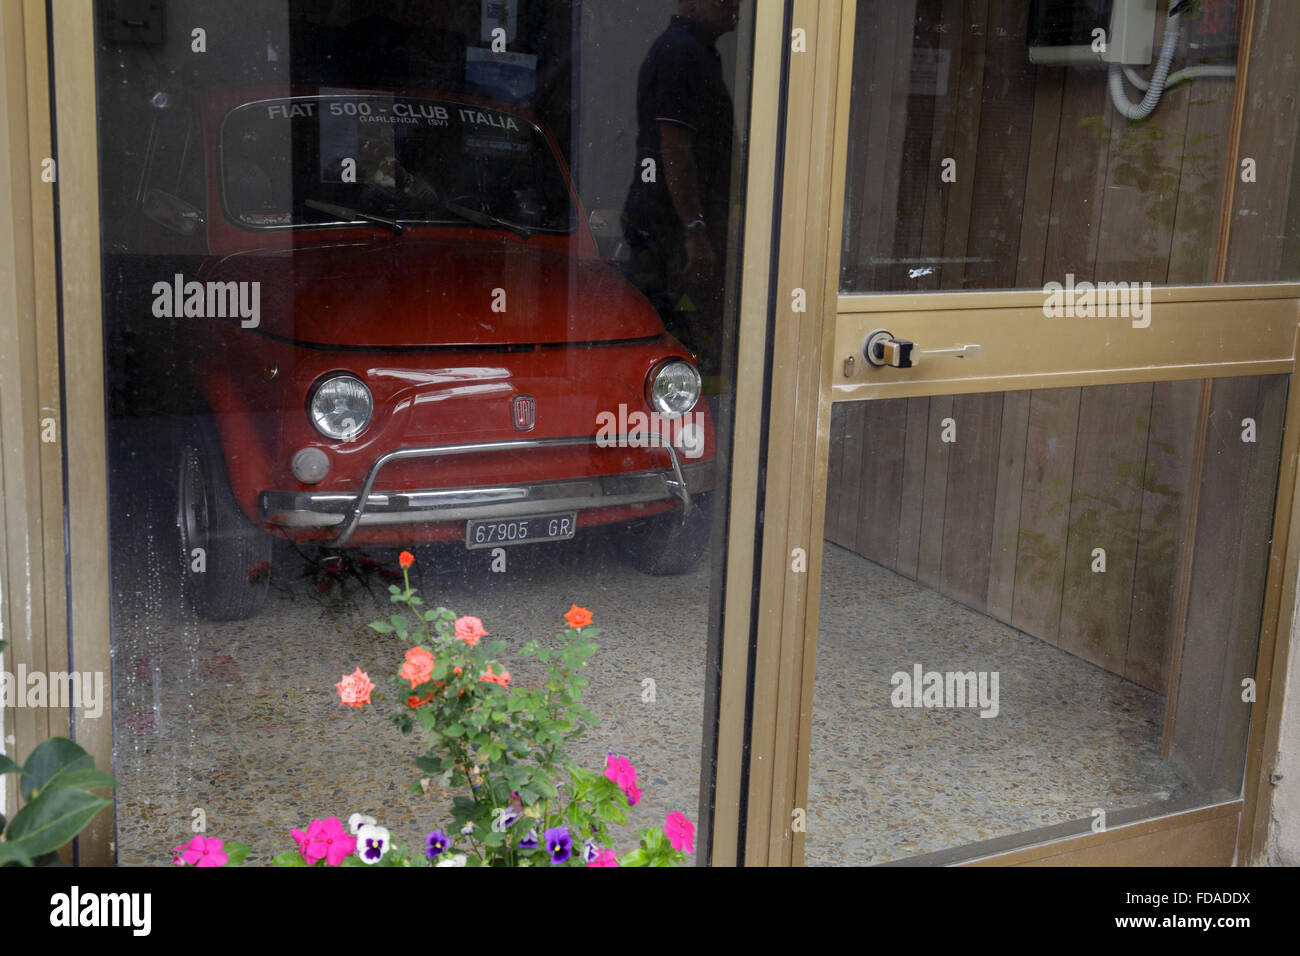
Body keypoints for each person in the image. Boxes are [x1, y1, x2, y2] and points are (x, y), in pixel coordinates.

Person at [622, 0, 741, 381]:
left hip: (675, 226)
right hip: (670, 228)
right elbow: (674, 147)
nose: (734, 4)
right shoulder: (680, 52)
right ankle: (676, 427)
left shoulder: (697, 52)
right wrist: (694, 230)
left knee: (688, 333)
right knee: (672, 337)